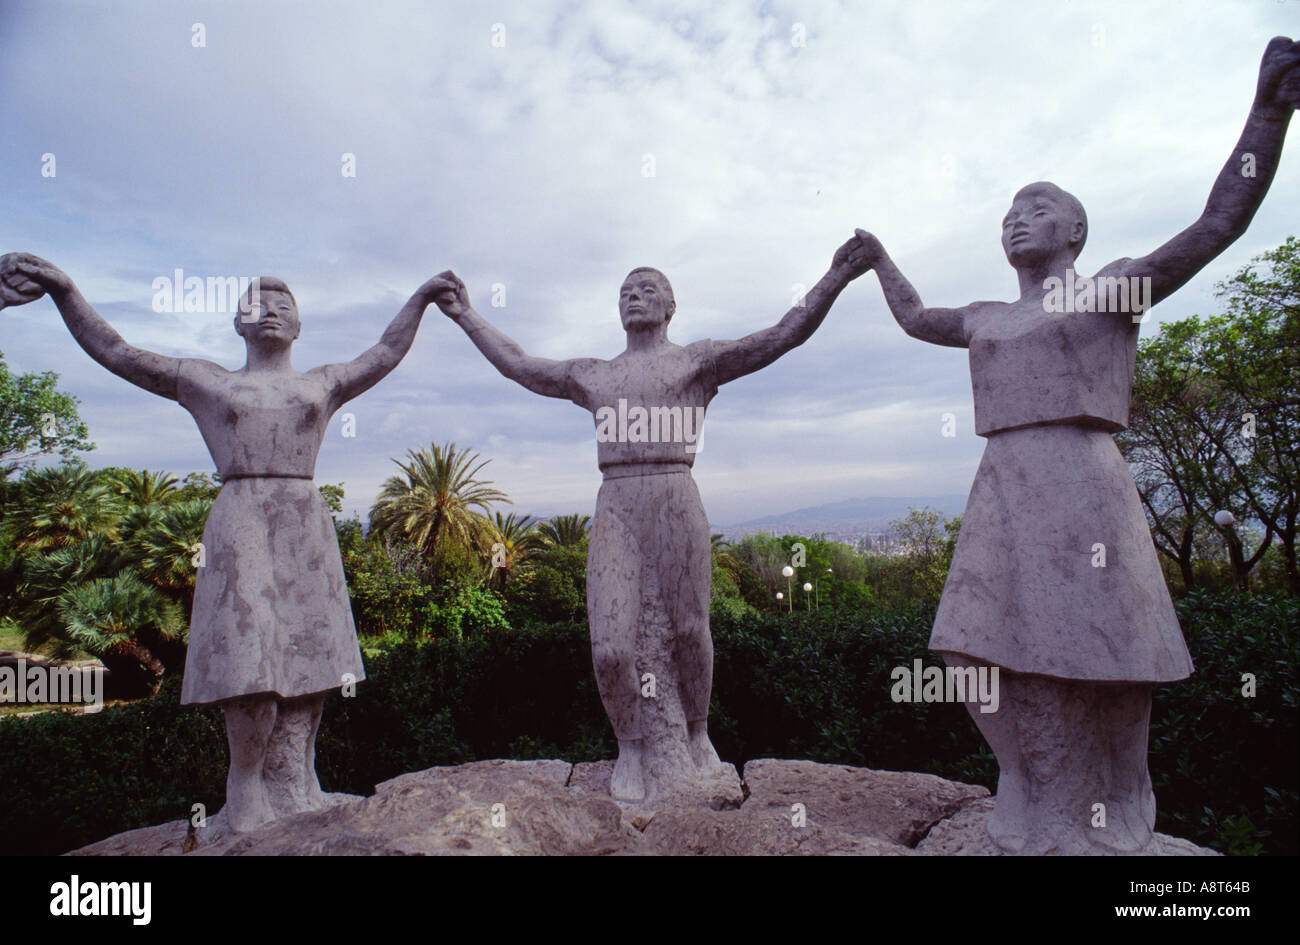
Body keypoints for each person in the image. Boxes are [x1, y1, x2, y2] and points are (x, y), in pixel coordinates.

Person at [853, 36, 1299, 853]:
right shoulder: (986, 315)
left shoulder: (1108, 291)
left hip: (1081, 480)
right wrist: (878, 259)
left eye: (1037, 206)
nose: (1016, 217)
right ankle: (1024, 778)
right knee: (973, 649)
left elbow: (1217, 224)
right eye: (1008, 212)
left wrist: (1268, 114)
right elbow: (916, 319)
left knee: (1101, 652)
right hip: (1002, 483)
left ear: (1077, 229)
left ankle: (1115, 793)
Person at [0, 254, 442, 832]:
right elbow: (118, 352)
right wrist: (65, 291)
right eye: (258, 302)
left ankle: (298, 782)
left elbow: (384, 352)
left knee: (312, 656)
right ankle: (246, 787)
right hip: (242, 516)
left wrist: (424, 297)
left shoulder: (322, 383)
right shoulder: (209, 381)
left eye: (285, 303)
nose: (272, 310)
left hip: (305, 518)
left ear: (300, 325)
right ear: (239, 322)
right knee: (249, 657)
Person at [427, 235, 872, 801]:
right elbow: (519, 365)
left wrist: (834, 278)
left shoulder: (697, 360)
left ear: (670, 307)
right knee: (611, 646)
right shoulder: (594, 375)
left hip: (674, 494)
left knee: (690, 628)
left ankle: (698, 731)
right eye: (625, 292)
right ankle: (631, 745)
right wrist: (466, 315)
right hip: (616, 501)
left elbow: (780, 337)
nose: (633, 298)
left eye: (647, 290)